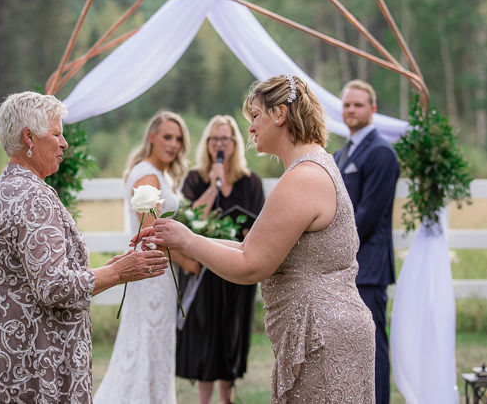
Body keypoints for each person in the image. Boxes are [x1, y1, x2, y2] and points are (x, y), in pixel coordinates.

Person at [146, 75, 375, 403]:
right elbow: (248, 247)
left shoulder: (303, 178)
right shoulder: (314, 166)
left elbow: (250, 265)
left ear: (280, 114)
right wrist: (182, 237)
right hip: (329, 330)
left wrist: (189, 241)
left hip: (322, 336)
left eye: (255, 116)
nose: (250, 128)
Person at [0, 92, 169, 404]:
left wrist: (107, 269)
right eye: (57, 134)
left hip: (7, 343)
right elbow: (54, 287)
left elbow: (40, 276)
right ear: (29, 137)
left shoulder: (8, 188)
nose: (64, 143)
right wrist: (118, 272)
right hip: (34, 352)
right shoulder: (33, 198)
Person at [94, 110, 200, 404]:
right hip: (151, 272)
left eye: (178, 139)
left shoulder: (156, 174)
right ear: (151, 137)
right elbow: (152, 231)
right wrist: (191, 259)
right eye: (167, 136)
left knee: (155, 346)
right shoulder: (147, 175)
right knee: (145, 344)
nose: (174, 144)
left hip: (158, 271)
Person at [176, 115, 264, 404]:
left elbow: (259, 225)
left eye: (225, 139)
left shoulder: (249, 182)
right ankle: (204, 400)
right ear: (208, 143)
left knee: (232, 331)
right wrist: (214, 186)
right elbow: (189, 219)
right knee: (205, 334)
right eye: (214, 139)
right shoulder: (195, 178)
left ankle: (226, 398)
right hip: (204, 269)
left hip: (238, 267)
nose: (219, 144)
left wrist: (228, 187)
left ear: (234, 143)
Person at [334, 79, 400, 404]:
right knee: (350, 348)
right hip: (345, 267)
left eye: (358, 105)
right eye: (347, 104)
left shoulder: (381, 153)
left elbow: (368, 215)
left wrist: (331, 245)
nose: (351, 110)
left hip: (369, 267)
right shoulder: (340, 153)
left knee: (373, 346)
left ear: (372, 109)